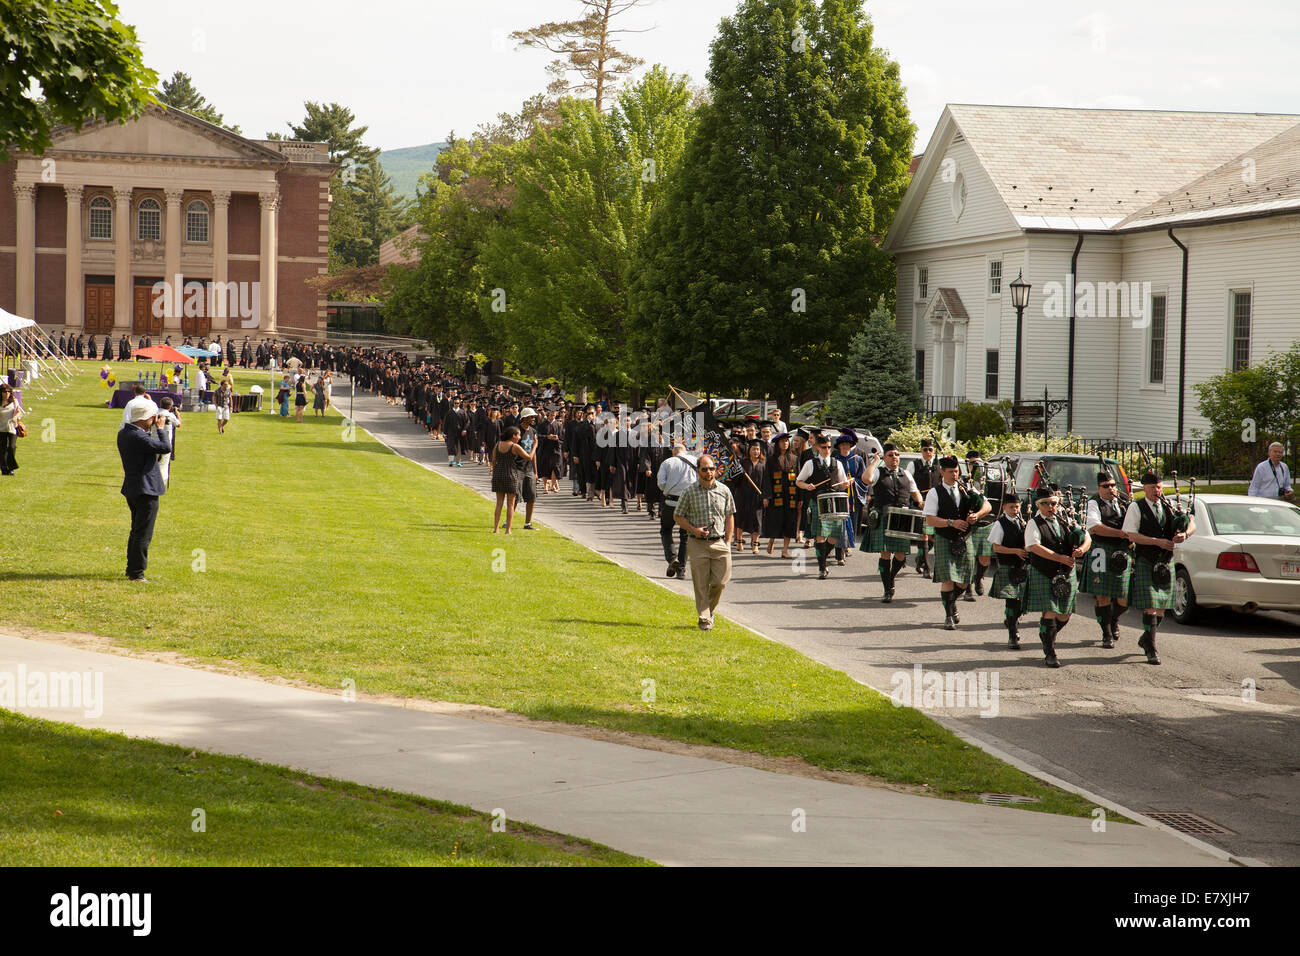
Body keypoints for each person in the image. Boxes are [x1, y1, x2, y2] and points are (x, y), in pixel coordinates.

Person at [1124, 470, 1195, 665]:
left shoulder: (1169, 505)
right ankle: (1151, 648)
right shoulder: (1135, 507)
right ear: (1144, 488)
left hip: (1165, 561)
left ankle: (1146, 636)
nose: (1157, 490)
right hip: (1146, 559)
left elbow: (1191, 522)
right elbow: (1131, 535)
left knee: (1162, 608)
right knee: (1151, 606)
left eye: (1159, 487)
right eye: (1153, 487)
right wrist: (1157, 542)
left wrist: (1185, 534)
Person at [1024, 486, 1091, 667]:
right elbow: (1034, 546)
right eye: (1045, 504)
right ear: (1039, 506)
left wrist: (1081, 549)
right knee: (1051, 611)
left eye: (1053, 503)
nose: (1050, 507)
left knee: (1065, 614)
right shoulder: (1034, 523)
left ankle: (1047, 634)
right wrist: (1058, 557)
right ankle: (1050, 651)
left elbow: (1087, 536)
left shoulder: (1066, 519)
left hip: (1066, 573)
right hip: (1044, 571)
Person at [923, 455, 991, 629]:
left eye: (956, 471)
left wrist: (977, 514)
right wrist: (950, 522)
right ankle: (948, 616)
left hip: (965, 539)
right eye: (951, 472)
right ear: (942, 472)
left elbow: (987, 506)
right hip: (945, 538)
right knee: (948, 579)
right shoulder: (934, 492)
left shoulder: (967, 488)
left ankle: (952, 605)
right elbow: (930, 520)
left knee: (963, 581)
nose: (954, 475)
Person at [674, 454, 736, 630]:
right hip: (697, 543)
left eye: (711, 469)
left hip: (719, 542)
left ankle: (709, 611)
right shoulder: (689, 491)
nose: (709, 472)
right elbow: (677, 516)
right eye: (705, 469)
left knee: (720, 582)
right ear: (697, 471)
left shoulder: (724, 490)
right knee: (701, 583)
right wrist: (694, 530)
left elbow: (730, 515)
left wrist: (728, 541)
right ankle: (704, 618)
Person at [118, 396, 171, 582]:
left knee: (136, 530)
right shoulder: (139, 436)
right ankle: (136, 572)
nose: (154, 421)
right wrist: (161, 429)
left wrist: (151, 428)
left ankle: (131, 567)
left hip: (133, 488)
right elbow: (165, 447)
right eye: (151, 418)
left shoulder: (124, 433)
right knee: (143, 533)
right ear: (143, 418)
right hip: (145, 490)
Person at [862, 443, 924, 602]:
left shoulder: (906, 474)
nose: (894, 457)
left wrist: (921, 503)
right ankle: (887, 589)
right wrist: (875, 461)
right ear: (885, 458)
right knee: (885, 553)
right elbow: (866, 479)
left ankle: (890, 577)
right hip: (884, 516)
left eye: (897, 454)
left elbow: (915, 493)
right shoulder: (877, 472)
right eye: (890, 455)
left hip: (902, 517)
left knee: (901, 555)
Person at [1082, 470, 1133, 648]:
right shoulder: (1093, 503)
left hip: (1122, 552)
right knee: (1102, 596)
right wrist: (1122, 533)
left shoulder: (1125, 503)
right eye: (1106, 486)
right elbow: (1095, 527)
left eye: (1112, 485)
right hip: (1101, 551)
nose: (1110, 489)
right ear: (1098, 488)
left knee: (1124, 598)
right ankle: (1106, 633)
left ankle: (1113, 619)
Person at [795, 433, 851, 580]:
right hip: (818, 502)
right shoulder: (810, 463)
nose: (827, 450)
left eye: (829, 447)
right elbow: (798, 481)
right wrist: (807, 486)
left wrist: (845, 484)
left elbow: (843, 483)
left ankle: (823, 558)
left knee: (833, 537)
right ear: (817, 448)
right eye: (824, 447)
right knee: (820, 537)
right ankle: (822, 568)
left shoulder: (837, 463)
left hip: (834, 503)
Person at [988, 496, 1029, 649]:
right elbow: (996, 547)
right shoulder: (1000, 524)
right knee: (1012, 602)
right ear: (1004, 507)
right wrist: (1016, 551)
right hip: (1007, 566)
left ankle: (1011, 620)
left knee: (1021, 603)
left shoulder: (1022, 522)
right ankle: (1013, 635)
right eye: (1011, 507)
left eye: (1017, 507)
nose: (1015, 510)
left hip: (1023, 567)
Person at [657, 440, 697, 578]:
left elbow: (661, 483)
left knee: (666, 530)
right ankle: (681, 569)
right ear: (685, 451)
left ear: (674, 452)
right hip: (689, 503)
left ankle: (672, 558)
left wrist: (669, 488)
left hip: (671, 502)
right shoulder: (696, 461)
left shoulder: (667, 463)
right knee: (685, 536)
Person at [762, 434, 800, 558]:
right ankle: (772, 540)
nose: (785, 443)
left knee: (789, 522)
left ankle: (785, 550)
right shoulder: (772, 459)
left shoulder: (794, 458)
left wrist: (800, 498)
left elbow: (799, 478)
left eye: (786, 441)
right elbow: (767, 478)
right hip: (776, 495)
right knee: (776, 521)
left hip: (791, 496)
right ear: (777, 444)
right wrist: (766, 496)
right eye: (782, 441)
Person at [490, 425, 532, 533]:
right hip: (511, 475)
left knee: (499, 503)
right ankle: (508, 530)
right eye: (518, 435)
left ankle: (496, 529)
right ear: (513, 435)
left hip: (498, 474)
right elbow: (529, 457)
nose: (519, 438)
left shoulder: (498, 444)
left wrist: (493, 475)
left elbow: (493, 461)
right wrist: (535, 446)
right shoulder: (515, 446)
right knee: (510, 504)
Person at [910, 438, 941, 575]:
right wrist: (917, 501)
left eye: (930, 450)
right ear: (921, 451)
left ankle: (920, 558)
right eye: (925, 450)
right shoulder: (914, 465)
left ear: (934, 451)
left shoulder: (938, 465)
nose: (928, 452)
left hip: (935, 505)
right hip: (919, 505)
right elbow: (908, 484)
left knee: (933, 537)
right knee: (924, 536)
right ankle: (927, 569)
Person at [515, 408, 540, 529]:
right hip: (517, 468)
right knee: (514, 496)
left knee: (531, 496)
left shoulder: (534, 432)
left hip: (529, 469)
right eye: (531, 417)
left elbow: (533, 454)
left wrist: (536, 472)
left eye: (534, 417)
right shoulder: (516, 431)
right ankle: (508, 520)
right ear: (524, 418)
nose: (533, 419)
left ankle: (528, 523)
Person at [154, 395, 182, 484]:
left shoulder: (155, 413)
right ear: (170, 407)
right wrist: (178, 415)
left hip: (153, 441)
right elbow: (178, 424)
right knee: (163, 464)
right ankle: (161, 483)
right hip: (165, 442)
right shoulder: (170, 415)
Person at [0, 383, 23, 475]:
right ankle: (5, 469)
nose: (7, 393)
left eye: (9, 391)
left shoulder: (14, 401)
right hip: (1, 429)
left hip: (12, 428)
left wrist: (15, 417)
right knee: (2, 449)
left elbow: (19, 412)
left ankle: (11, 466)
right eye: (4, 392)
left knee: (11, 447)